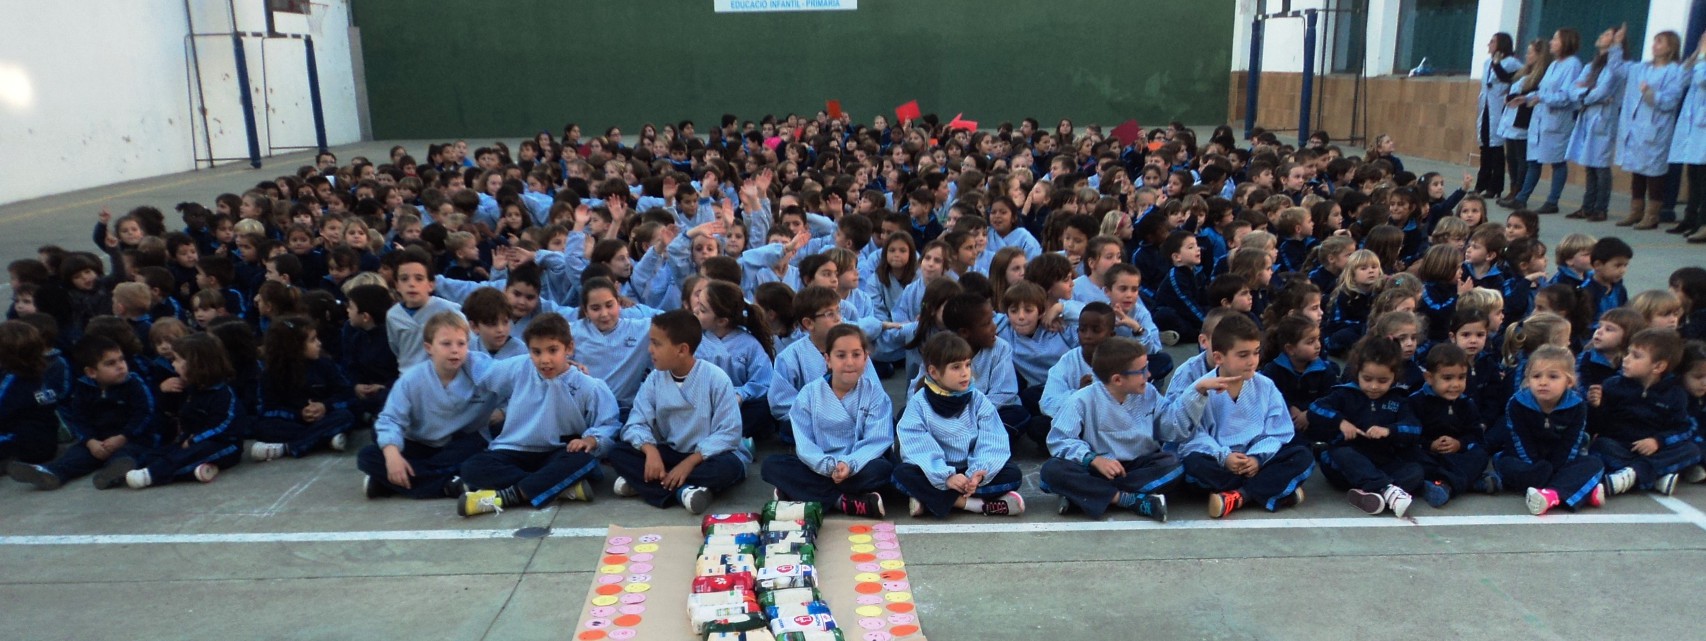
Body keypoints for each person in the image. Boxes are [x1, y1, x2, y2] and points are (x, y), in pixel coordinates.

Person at [456, 313, 621, 516]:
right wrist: (457, 352)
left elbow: (609, 423)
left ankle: (507, 496)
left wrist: (592, 440)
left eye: (553, 350)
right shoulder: (519, 367)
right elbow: (486, 370)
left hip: (557, 452)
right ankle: (557, 486)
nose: (544, 360)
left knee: (584, 460)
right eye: (536, 352)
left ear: (569, 348)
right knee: (471, 468)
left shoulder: (588, 385)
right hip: (514, 450)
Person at [1164, 314, 1313, 518]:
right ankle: (1271, 489)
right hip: (1220, 460)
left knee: (1302, 455)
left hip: (1255, 459)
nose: (1252, 361)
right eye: (1243, 355)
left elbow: (1278, 430)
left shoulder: (1265, 385)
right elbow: (1192, 435)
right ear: (1219, 357)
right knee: (1193, 465)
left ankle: (1240, 496)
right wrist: (1225, 457)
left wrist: (1257, 458)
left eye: (1256, 353)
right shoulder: (1202, 387)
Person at [607, 310, 750, 514]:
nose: (650, 350)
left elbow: (729, 433)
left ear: (682, 350)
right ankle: (683, 491)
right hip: (672, 452)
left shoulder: (716, 379)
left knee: (728, 469)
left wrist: (690, 463)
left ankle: (648, 484)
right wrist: (651, 451)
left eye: (657, 344)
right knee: (617, 452)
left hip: (707, 456)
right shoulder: (655, 379)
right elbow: (636, 423)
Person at [359, 312, 499, 500]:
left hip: (457, 443)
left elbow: (511, 379)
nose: (455, 350)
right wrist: (392, 456)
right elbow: (391, 418)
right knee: (368, 456)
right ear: (428, 347)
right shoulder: (412, 379)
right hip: (419, 443)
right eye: (446, 343)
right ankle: (449, 485)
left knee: (484, 449)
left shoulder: (480, 367)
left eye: (461, 343)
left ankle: (390, 483)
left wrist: (503, 411)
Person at [1039, 337, 1180, 521]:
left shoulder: (1149, 393)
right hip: (1094, 467)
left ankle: (1085, 494)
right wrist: (1093, 459)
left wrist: (1198, 393)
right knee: (1052, 471)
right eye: (1142, 370)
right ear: (1118, 379)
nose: (1149, 375)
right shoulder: (1081, 400)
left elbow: (1173, 427)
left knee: (1174, 465)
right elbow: (1060, 440)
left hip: (1135, 467)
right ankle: (1127, 499)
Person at [760, 324, 893, 517]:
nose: (849, 362)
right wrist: (827, 466)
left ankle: (801, 492)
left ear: (866, 358)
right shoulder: (809, 393)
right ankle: (844, 501)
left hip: (858, 466)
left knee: (884, 470)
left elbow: (877, 440)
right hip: (819, 465)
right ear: (827, 359)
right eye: (841, 355)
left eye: (856, 355)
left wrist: (850, 464)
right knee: (771, 466)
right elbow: (805, 443)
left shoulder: (875, 394)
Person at [893, 333, 1025, 518]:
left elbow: (993, 439)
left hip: (969, 471)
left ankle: (929, 499)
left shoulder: (978, 400)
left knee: (1013, 474)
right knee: (902, 474)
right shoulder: (919, 403)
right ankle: (974, 505)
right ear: (933, 372)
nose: (965, 373)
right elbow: (917, 447)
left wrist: (978, 473)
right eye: (956, 367)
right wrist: (945, 477)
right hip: (936, 472)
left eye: (967, 365)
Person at [7, 336, 156, 490]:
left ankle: (113, 472)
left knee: (127, 455)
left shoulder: (134, 383)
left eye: (121, 360)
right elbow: (78, 419)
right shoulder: (84, 388)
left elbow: (145, 413)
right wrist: (90, 441)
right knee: (75, 456)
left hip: (131, 439)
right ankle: (51, 473)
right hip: (97, 441)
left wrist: (123, 436)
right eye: (110, 363)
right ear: (91, 372)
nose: (120, 366)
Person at [1307, 336, 1424, 518]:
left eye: (1383, 380)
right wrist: (1341, 421)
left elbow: (1414, 428)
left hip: (1382, 461)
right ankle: (1387, 490)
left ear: (1394, 376)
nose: (1374, 386)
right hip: (1348, 464)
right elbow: (1315, 409)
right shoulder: (1344, 393)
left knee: (1416, 471)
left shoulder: (1398, 399)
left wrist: (1389, 430)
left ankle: (1370, 495)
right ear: (1357, 372)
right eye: (1367, 379)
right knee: (1338, 453)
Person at [118, 334, 243, 489]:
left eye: (176, 360)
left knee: (185, 457)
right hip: (186, 442)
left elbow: (223, 425)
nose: (173, 365)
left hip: (222, 445)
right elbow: (173, 413)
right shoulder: (191, 389)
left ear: (196, 364)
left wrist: (194, 440)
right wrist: (163, 391)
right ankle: (139, 467)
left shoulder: (223, 394)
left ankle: (151, 475)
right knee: (160, 454)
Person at [1587, 328, 1701, 497]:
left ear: (1658, 366)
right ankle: (1654, 477)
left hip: (1653, 450)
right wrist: (1596, 406)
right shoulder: (1613, 385)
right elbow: (1598, 426)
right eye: (1628, 354)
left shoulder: (1675, 394)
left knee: (1692, 450)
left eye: (1636, 356)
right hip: (1620, 447)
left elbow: (1684, 428)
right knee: (1600, 446)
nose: (1626, 360)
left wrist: (1658, 441)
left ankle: (1632, 475)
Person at [1495, 345, 1606, 516]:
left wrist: (1555, 467)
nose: (1543, 382)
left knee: (1595, 463)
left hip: (1561, 462)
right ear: (1528, 379)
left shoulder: (1577, 405)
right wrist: (1540, 467)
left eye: (1553, 376)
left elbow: (1572, 443)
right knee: (1502, 463)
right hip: (1529, 463)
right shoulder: (1517, 403)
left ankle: (1550, 494)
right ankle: (1578, 490)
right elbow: (1519, 441)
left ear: (1569, 382)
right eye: (1536, 376)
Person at [1504, 28, 1584, 214]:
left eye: (1555, 39)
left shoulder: (1572, 65)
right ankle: (1522, 198)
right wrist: (1526, 98)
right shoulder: (1555, 64)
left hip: (1557, 120)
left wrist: (1542, 99)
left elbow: (1566, 96)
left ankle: (1552, 201)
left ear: (1566, 42)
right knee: (1534, 160)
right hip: (1541, 118)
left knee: (1557, 162)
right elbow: (1543, 90)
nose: (1551, 43)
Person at [1613, 28, 1686, 230]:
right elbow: (1618, 69)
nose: (1655, 46)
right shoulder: (1641, 68)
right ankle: (1635, 211)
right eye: (1654, 41)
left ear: (1671, 47)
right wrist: (1617, 45)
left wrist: (1651, 94)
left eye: (1660, 42)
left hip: (1657, 127)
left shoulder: (1675, 71)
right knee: (1637, 170)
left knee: (1654, 172)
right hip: (1636, 127)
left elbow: (1672, 99)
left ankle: (1652, 214)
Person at [1411, 343, 1494, 506]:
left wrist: (1459, 444)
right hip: (1430, 455)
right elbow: (1410, 435)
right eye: (1447, 378)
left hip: (1456, 456)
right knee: (1411, 460)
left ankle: (1446, 485)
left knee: (1480, 455)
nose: (1455, 384)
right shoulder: (1416, 402)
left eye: (1461, 377)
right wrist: (1430, 445)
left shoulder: (1466, 404)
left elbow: (1477, 436)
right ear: (1429, 378)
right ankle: (1471, 483)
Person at [1668, 31, 1706, 241]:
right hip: (1693, 128)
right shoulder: (1700, 61)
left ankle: (1702, 222)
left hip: (1703, 128)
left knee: (1703, 179)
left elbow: (1702, 81)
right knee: (1693, 175)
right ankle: (1690, 218)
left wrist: (1701, 58)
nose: (1702, 43)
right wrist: (1692, 59)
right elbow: (1681, 80)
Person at [1477, 32, 1524, 198]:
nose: (1489, 44)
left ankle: (1495, 186)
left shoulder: (1512, 63)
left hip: (1499, 110)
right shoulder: (1486, 63)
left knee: (1496, 149)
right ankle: (1481, 183)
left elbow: (1506, 78)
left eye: (1493, 42)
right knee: (1485, 146)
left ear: (1502, 44)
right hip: (1486, 108)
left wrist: (1497, 64)